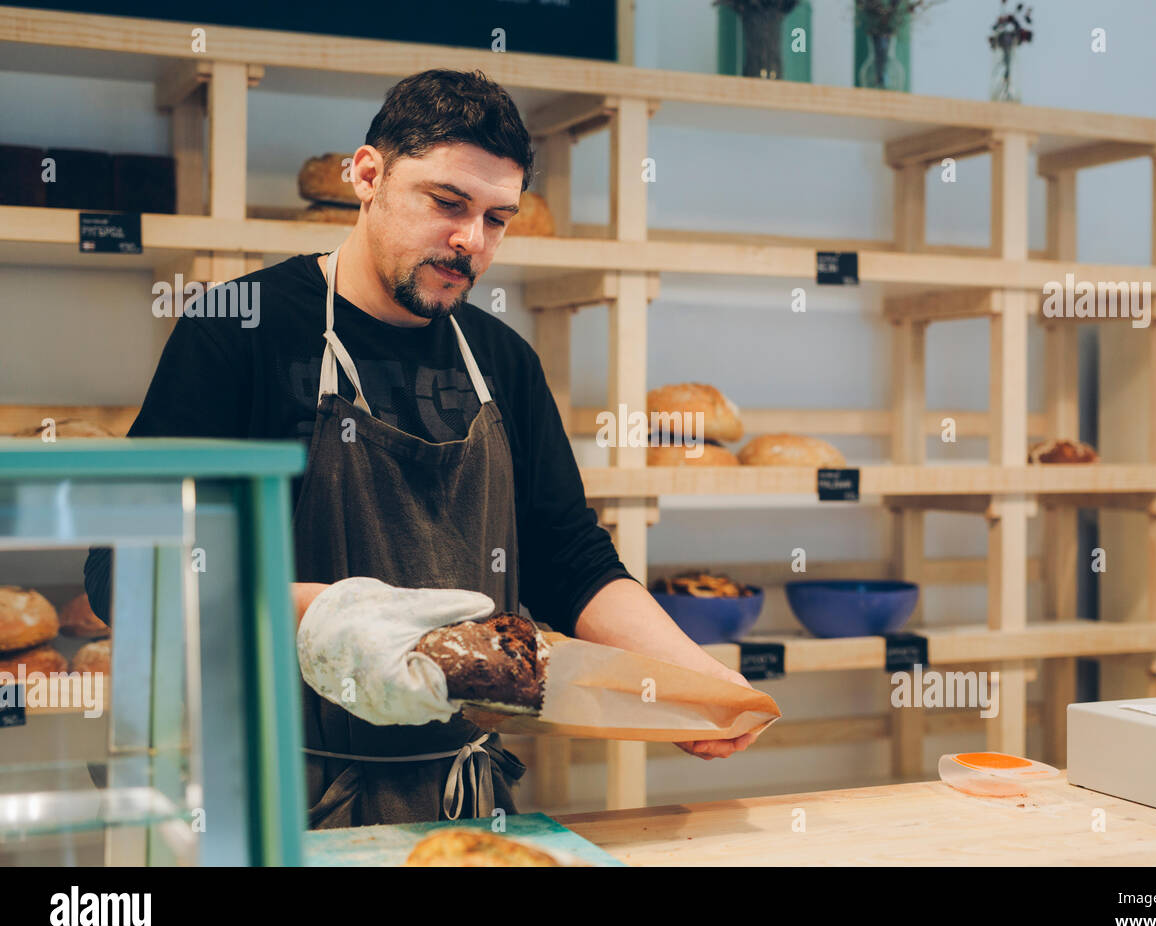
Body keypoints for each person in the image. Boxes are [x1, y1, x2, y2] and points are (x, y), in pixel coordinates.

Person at [84, 68, 756, 829]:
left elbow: (569, 558)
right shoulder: (241, 332)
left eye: (497, 219)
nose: (470, 240)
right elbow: (125, 574)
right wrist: (331, 615)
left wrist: (696, 676)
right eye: (447, 203)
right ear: (367, 175)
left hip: (462, 802)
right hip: (275, 799)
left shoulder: (503, 362)